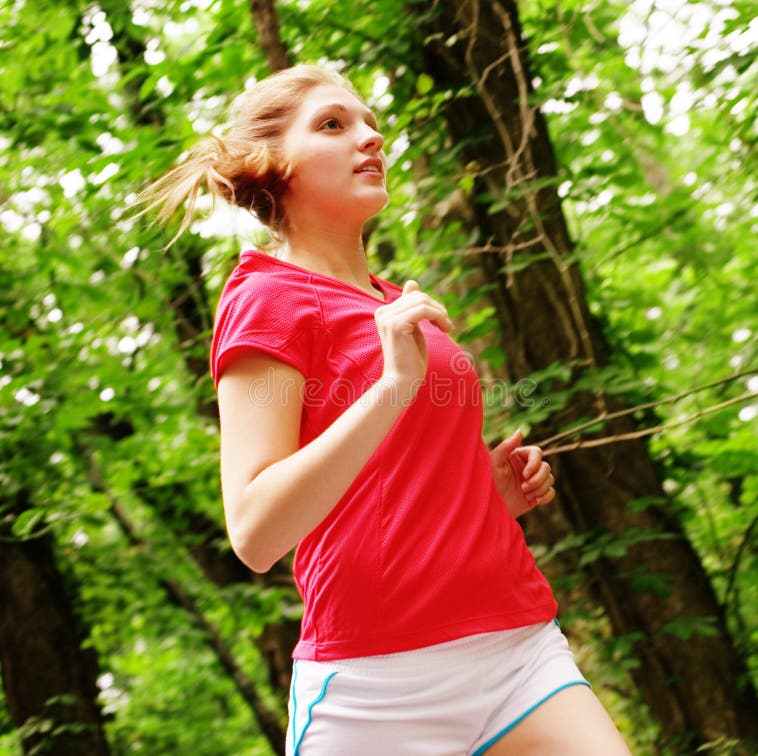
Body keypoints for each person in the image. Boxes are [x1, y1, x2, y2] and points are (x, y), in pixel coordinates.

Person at [139, 64, 630, 756]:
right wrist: (393, 384)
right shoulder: (266, 301)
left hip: (515, 648)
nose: (370, 137)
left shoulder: (393, 301)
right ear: (275, 165)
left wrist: (479, 497)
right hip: (376, 689)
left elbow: (388, 483)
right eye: (334, 125)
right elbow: (254, 530)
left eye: (370, 122)